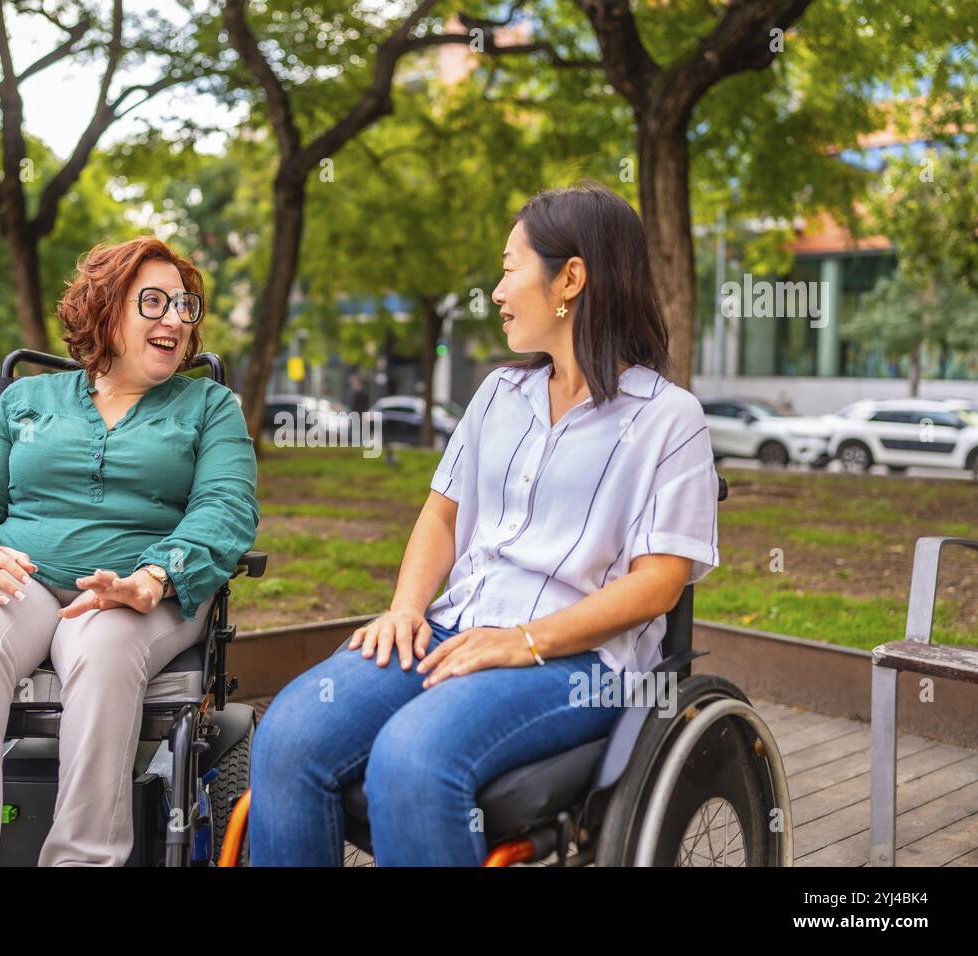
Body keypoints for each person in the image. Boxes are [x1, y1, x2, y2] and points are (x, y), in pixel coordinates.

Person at [248, 181, 720, 866]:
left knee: (412, 757)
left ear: (571, 279)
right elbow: (441, 515)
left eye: (508, 267)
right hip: (452, 629)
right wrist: (406, 610)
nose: (496, 291)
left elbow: (657, 587)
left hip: (580, 661)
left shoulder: (668, 419)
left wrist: (523, 641)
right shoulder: (499, 393)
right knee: (289, 736)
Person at [0, 236, 260, 866]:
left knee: (106, 643)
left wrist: (154, 577)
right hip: (19, 581)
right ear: (105, 309)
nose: (176, 320)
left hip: (138, 590)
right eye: (154, 302)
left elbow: (225, 510)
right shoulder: (25, 402)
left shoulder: (209, 407)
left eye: (186, 306)